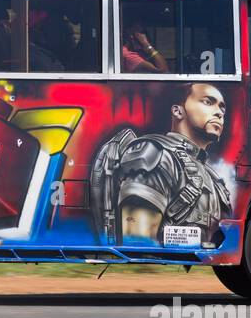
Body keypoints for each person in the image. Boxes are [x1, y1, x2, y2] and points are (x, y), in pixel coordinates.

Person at [90, 82, 232, 245]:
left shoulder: (211, 175)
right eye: (208, 102)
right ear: (178, 111)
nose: (219, 113)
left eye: (222, 108)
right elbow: (138, 243)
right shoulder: (156, 153)